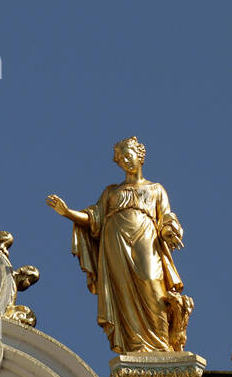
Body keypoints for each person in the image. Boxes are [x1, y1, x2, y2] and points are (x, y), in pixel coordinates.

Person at [47, 137, 191, 354]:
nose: (125, 161)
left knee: (152, 282)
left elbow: (166, 216)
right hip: (114, 241)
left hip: (146, 237)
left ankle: (161, 345)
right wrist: (67, 212)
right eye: (120, 159)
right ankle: (135, 346)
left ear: (140, 156)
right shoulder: (111, 192)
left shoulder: (155, 189)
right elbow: (94, 218)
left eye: (128, 156)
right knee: (122, 290)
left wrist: (169, 230)